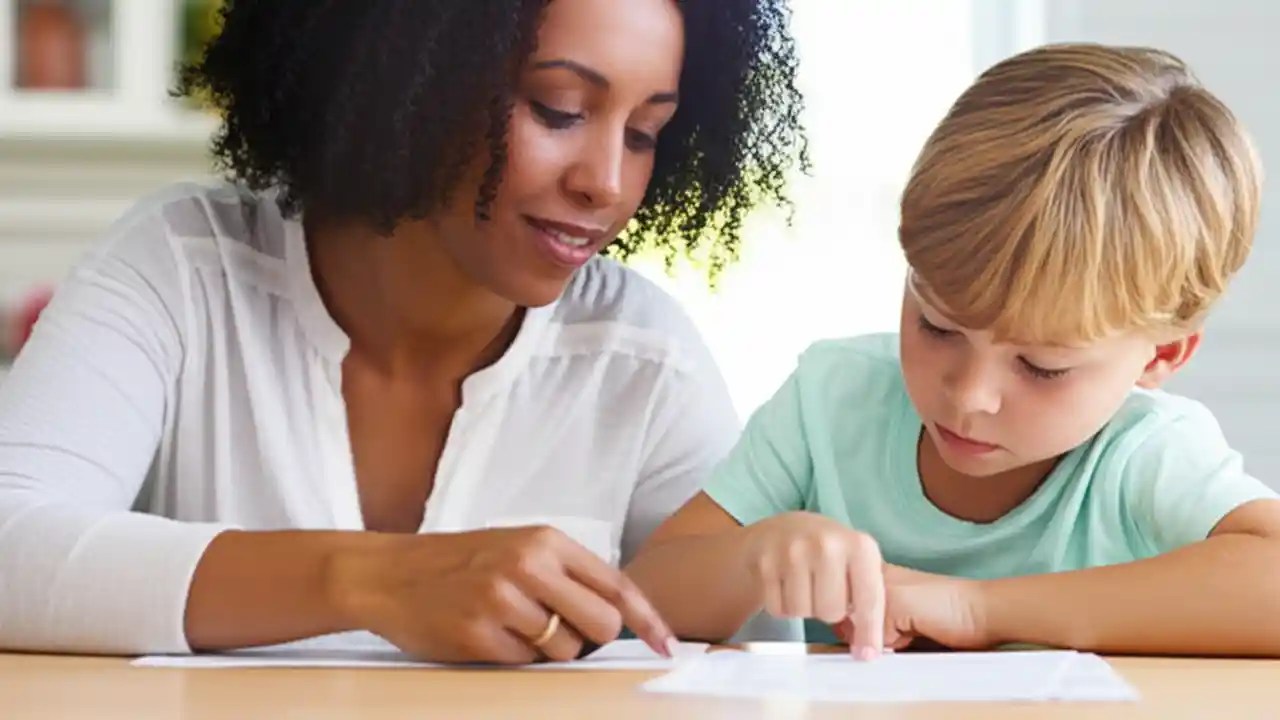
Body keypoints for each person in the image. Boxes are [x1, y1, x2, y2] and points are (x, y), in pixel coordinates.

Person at [0, 0, 806, 664]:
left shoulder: (641, 357)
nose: (605, 182)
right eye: (559, 109)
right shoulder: (185, 268)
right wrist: (376, 581)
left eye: (643, 134)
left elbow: (753, 654)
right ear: (402, 77)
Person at [628, 42, 1280, 659]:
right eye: (938, 326)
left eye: (1041, 366)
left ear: (1161, 356)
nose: (969, 395)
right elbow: (647, 592)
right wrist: (753, 556)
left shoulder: (1147, 452)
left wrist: (975, 609)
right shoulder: (830, 401)